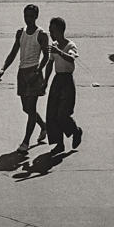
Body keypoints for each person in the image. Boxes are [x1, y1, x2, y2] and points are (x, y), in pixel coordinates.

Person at [0, 4, 50, 153]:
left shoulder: (42, 34)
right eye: (26, 16)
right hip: (22, 73)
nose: (28, 19)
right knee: (26, 108)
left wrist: (38, 72)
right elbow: (13, 52)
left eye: (31, 16)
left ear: (36, 17)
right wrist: (3, 69)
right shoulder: (20, 33)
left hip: (34, 72)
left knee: (31, 109)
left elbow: (46, 56)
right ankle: (44, 126)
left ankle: (25, 142)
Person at [43, 16, 82, 154]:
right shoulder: (54, 46)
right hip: (57, 79)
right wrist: (45, 81)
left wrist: (59, 52)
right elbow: (50, 64)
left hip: (66, 81)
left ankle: (75, 131)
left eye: (53, 31)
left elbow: (71, 58)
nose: (51, 34)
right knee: (52, 114)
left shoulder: (70, 45)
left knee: (62, 114)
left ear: (60, 31)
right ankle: (59, 144)